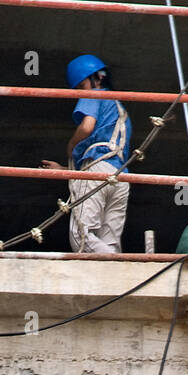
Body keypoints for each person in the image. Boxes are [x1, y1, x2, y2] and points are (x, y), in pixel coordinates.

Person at [42, 54, 132, 254]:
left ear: (98, 78)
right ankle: (116, 272)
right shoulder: (119, 109)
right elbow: (106, 161)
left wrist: (72, 146)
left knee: (80, 236)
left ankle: (114, 265)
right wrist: (65, 169)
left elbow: (87, 127)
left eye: (82, 86)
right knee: (110, 241)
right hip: (121, 177)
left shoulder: (97, 94)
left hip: (97, 172)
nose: (81, 93)